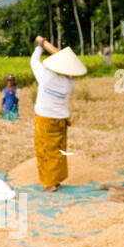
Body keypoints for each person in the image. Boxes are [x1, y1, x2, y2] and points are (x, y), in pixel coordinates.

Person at [30, 36, 87, 192]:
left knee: (45, 151)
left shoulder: (46, 76)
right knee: (59, 150)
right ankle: (58, 180)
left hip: (45, 119)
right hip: (61, 120)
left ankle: (51, 184)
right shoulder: (69, 82)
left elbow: (34, 61)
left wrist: (40, 46)